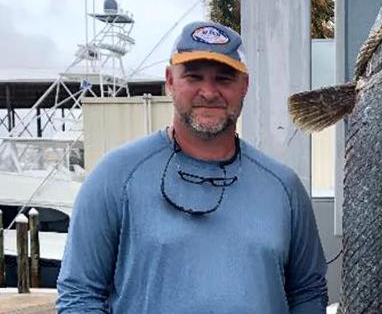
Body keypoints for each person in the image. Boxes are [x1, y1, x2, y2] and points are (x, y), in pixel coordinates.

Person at [57, 21, 328, 313]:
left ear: (245, 85)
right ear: (170, 80)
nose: (209, 92)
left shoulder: (284, 188)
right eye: (193, 76)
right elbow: (79, 295)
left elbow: (308, 292)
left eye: (224, 79)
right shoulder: (115, 177)